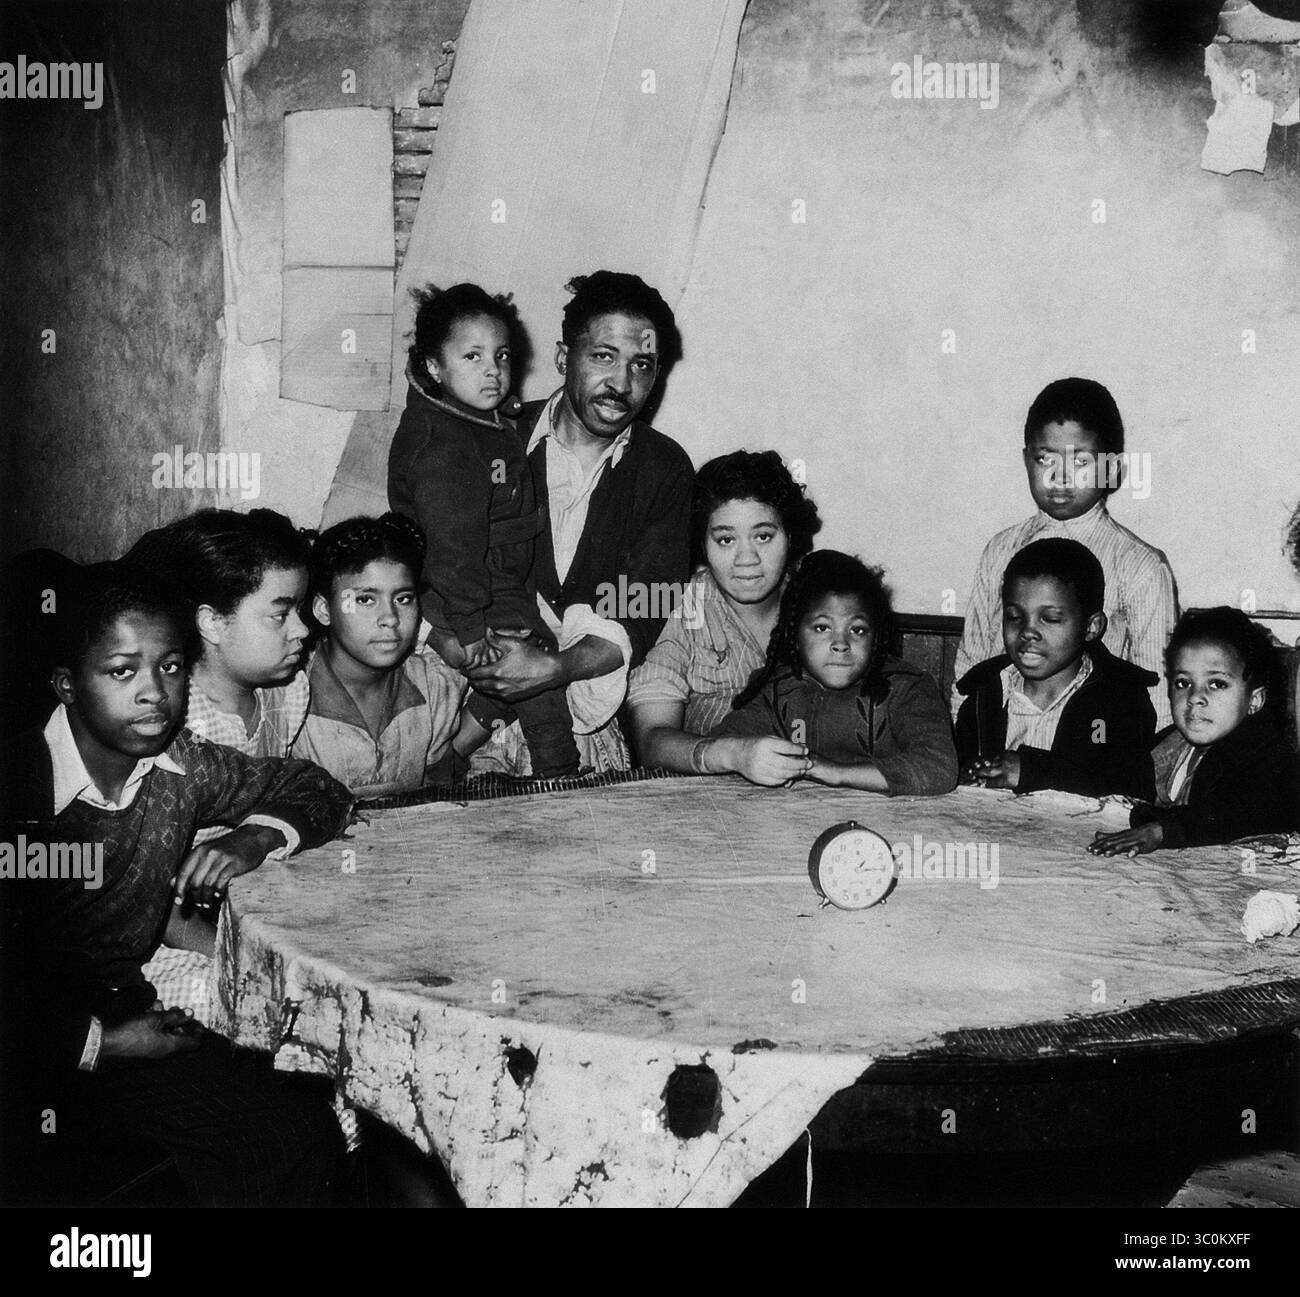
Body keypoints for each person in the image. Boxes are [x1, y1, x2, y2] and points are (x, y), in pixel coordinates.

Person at [0, 562, 354, 1205]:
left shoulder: (179, 765)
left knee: (297, 1122)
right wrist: (103, 1043)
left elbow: (318, 789)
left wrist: (254, 836)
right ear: (67, 685)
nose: (152, 693)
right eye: (122, 670)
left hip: (125, 1004)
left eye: (168, 668)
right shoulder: (18, 790)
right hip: (35, 1034)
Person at [462, 271, 695, 772]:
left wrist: (553, 668)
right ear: (565, 358)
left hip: (583, 721)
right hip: (465, 699)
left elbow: (643, 604)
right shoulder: (492, 440)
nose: (621, 384)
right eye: (603, 357)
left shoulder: (664, 469)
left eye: (642, 365)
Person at [387, 283, 577, 777]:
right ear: (433, 366)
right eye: (472, 356)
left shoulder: (477, 420)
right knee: (536, 677)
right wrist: (469, 627)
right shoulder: (446, 447)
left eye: (501, 354)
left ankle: (452, 756)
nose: (492, 369)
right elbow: (452, 549)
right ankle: (562, 778)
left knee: (526, 659)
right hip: (471, 587)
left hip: (492, 579)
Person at [952, 378, 1178, 729]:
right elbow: (971, 663)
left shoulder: (1140, 566)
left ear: (1112, 469)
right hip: (999, 746)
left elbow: (1158, 695)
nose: (1060, 477)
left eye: (1081, 461)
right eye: (1045, 459)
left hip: (1092, 753)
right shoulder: (1000, 550)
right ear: (1027, 461)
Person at [627, 450, 821, 781]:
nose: (747, 558)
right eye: (726, 539)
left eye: (763, 536)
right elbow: (652, 740)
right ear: (703, 544)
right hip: (705, 804)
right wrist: (734, 754)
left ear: (790, 537)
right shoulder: (681, 608)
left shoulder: (821, 603)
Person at [702, 551, 958, 794]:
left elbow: (939, 767)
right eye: (822, 628)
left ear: (876, 638)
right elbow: (725, 742)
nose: (841, 643)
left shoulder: (907, 688)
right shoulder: (776, 689)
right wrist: (750, 755)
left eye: (857, 630)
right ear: (795, 636)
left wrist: (834, 772)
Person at [955, 538, 1158, 799]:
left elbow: (1128, 789)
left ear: (1091, 627)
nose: (1028, 632)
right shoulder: (985, 695)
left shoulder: (1116, 704)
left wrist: (1032, 772)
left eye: (1049, 619)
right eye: (1014, 617)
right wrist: (966, 773)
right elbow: (959, 764)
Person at [1089, 608, 1299, 854]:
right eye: (1183, 683)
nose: (1195, 697)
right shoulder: (1169, 744)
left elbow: (1236, 814)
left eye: (1217, 684)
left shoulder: (1269, 757)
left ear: (1254, 700)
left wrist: (1162, 830)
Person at [297, 513, 466, 797]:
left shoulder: (432, 686)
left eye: (403, 599)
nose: (390, 618)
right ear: (324, 610)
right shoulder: (290, 701)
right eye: (365, 599)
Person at [126, 509, 313, 758]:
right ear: (212, 623)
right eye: (279, 616)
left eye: (299, 609)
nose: (302, 629)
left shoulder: (289, 695)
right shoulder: (175, 718)